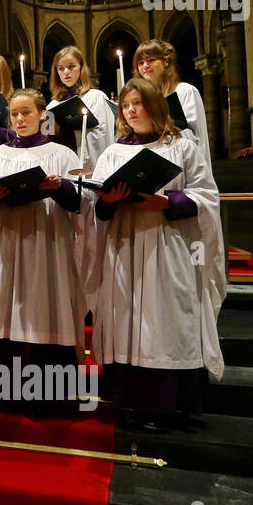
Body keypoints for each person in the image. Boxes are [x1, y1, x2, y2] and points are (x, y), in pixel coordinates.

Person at [81, 77, 225, 422]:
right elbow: (92, 205)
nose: (131, 111)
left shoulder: (182, 146)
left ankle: (165, 403)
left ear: (155, 106)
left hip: (168, 246)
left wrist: (167, 200)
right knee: (127, 319)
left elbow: (207, 196)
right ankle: (128, 398)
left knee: (164, 321)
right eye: (126, 105)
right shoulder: (114, 152)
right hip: (124, 246)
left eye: (138, 103)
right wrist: (108, 202)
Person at [0, 89, 86, 407]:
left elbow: (81, 201)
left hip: (47, 244)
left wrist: (60, 186)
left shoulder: (62, 154)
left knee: (45, 305)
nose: (20, 120)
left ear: (42, 116)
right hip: (6, 246)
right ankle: (3, 390)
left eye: (27, 113)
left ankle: (50, 392)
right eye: (14, 115)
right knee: (5, 307)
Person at [134, 39, 211, 167]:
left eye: (151, 60)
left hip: (182, 162)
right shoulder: (138, 99)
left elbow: (197, 136)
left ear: (166, 61)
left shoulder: (185, 91)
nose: (145, 66)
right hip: (150, 163)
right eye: (141, 62)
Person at [47, 45, 117, 169]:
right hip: (62, 169)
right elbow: (45, 141)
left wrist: (63, 131)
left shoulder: (96, 97)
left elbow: (103, 135)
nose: (66, 72)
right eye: (61, 68)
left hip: (89, 170)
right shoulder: (52, 105)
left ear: (81, 68)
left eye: (71, 66)